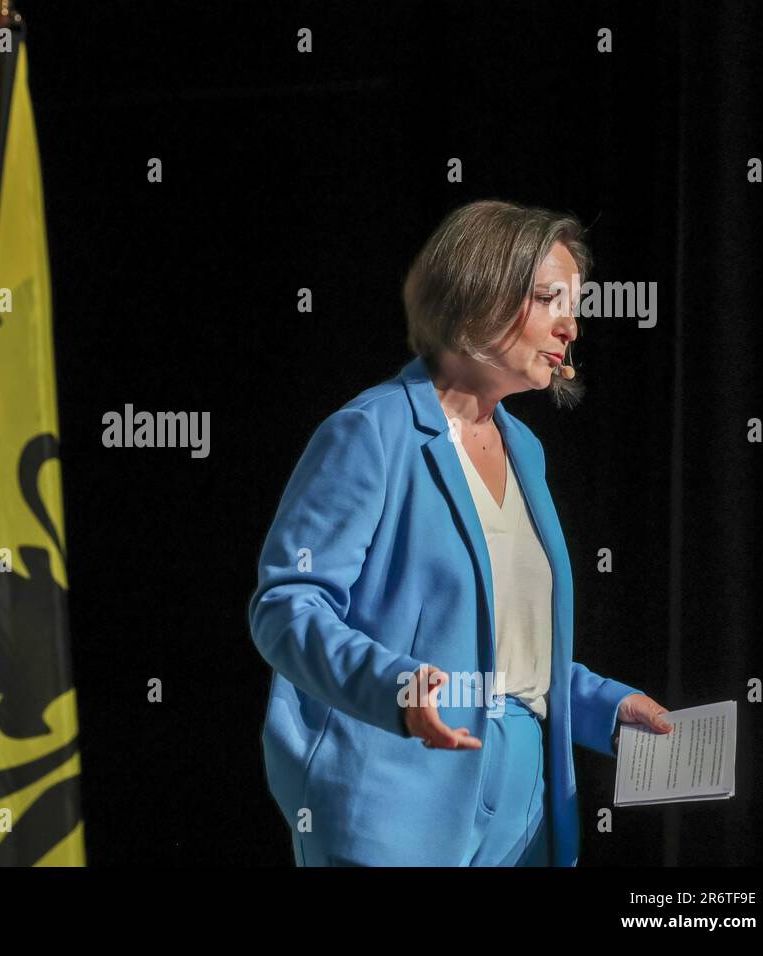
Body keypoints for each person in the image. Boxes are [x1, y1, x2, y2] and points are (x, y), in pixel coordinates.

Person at [247, 199, 674, 866]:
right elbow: (285, 608)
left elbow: (512, 657)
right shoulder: (372, 433)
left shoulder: (523, 447)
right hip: (398, 786)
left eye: (576, 305)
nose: (573, 326)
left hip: (526, 794)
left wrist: (609, 710)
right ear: (481, 292)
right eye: (550, 300)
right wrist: (395, 686)